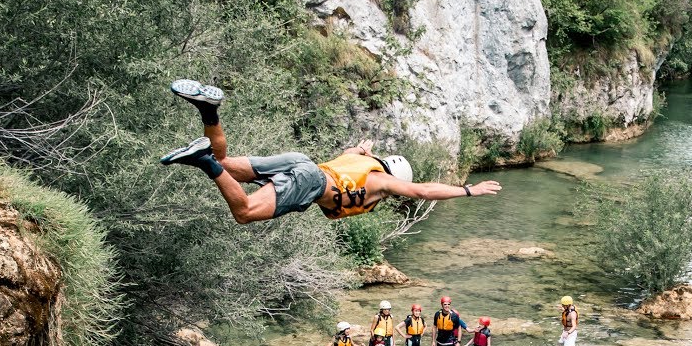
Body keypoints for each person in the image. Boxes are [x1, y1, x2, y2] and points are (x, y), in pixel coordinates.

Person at [159, 79, 501, 224]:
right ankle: (201, 159)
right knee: (245, 211)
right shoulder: (380, 182)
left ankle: (209, 110)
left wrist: (363, 150)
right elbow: (422, 191)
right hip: (307, 180)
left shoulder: (360, 159)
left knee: (225, 162)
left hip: (302, 163)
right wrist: (469, 190)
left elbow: (352, 154)